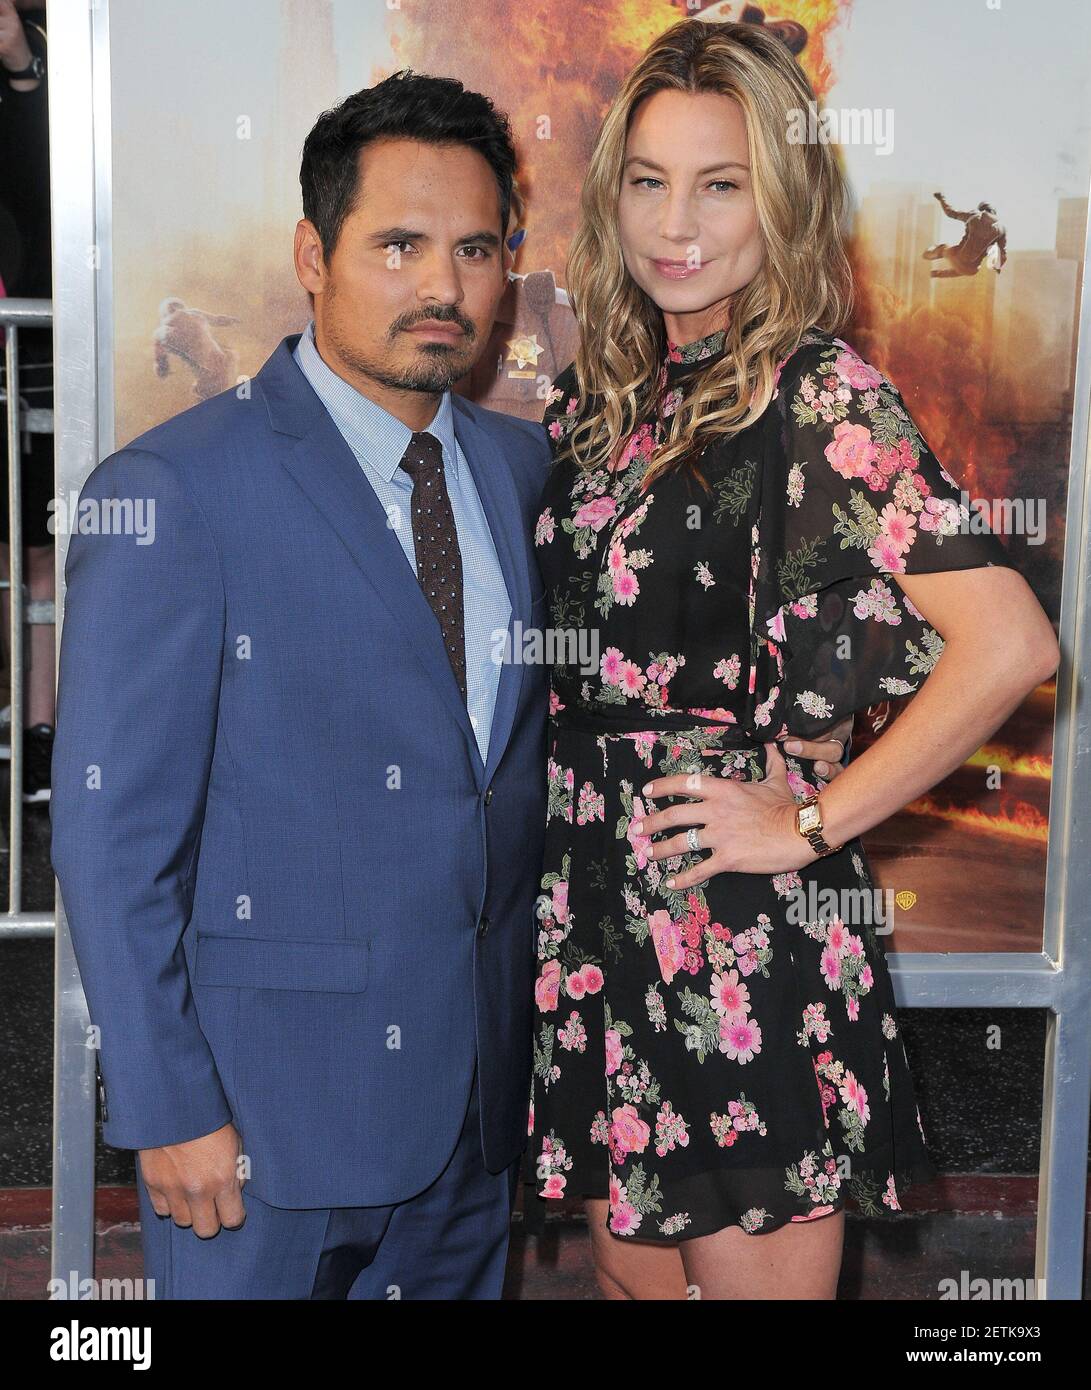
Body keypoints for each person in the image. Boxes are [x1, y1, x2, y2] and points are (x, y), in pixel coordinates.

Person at [526, 18, 1059, 1300]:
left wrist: (808, 822)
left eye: (720, 184)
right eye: (647, 181)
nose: (676, 223)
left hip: (733, 932)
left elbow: (1010, 643)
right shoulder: (605, 399)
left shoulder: (819, 396)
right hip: (596, 917)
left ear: (783, 200)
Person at [51, 71, 557, 1301]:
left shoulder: (520, 468)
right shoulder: (173, 491)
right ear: (311, 255)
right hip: (256, 1132)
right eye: (398, 244)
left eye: (473, 248)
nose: (441, 287)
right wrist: (167, 1106)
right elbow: (113, 837)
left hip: (475, 1125)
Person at [0, 0, 53, 801]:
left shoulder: (34, 83)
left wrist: (17, 57)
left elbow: (44, 186)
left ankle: (38, 737)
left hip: (30, 365)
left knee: (35, 557)